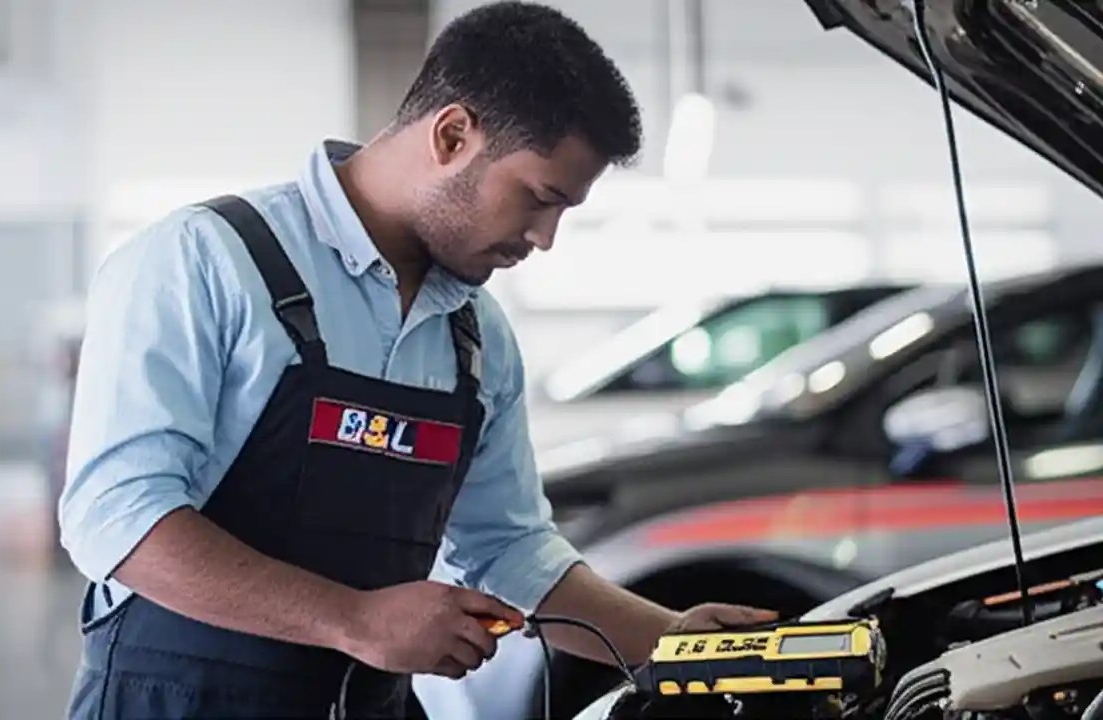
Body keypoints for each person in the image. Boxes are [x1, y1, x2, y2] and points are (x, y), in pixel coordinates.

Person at [59, 2, 776, 718]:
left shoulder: (477, 338)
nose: (546, 238)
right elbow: (118, 516)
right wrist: (356, 619)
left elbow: (508, 547)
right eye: (538, 197)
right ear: (453, 134)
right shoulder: (205, 261)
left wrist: (672, 639)